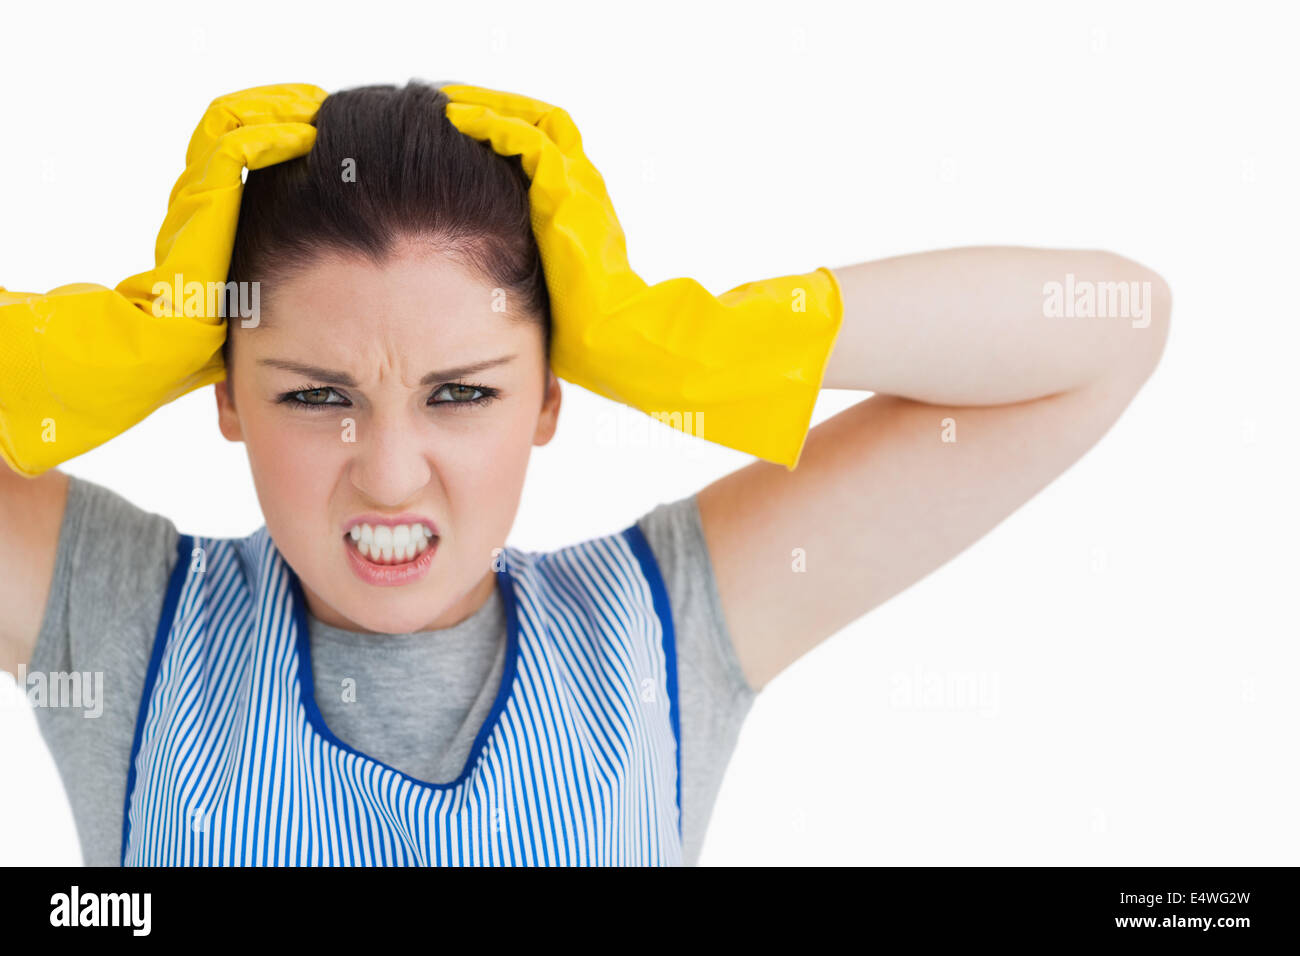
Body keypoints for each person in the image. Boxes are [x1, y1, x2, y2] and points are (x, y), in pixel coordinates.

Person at [0, 80, 1170, 866]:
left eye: (464, 392)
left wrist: (703, 344)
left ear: (554, 392)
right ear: (224, 394)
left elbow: (1109, 329)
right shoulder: (119, 623)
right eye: (316, 395)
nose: (392, 475)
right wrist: (106, 345)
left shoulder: (664, 628)